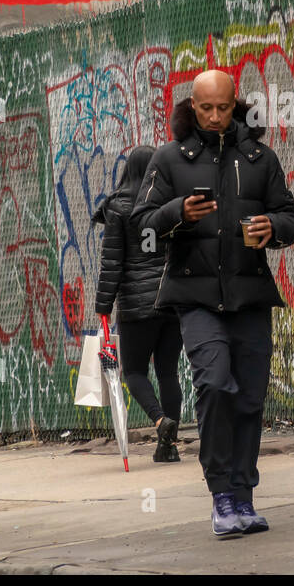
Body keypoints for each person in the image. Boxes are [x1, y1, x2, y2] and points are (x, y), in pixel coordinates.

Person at [132, 69, 294, 537]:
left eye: (222, 108)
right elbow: (142, 225)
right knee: (214, 384)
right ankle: (221, 495)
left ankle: (245, 494)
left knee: (249, 397)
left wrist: (273, 226)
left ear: (235, 104)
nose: (213, 117)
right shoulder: (169, 159)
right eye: (204, 108)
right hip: (196, 296)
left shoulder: (259, 157)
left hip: (249, 296)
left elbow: (291, 217)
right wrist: (178, 213)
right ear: (192, 104)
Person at [93, 146, 183, 462]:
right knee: (169, 372)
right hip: (172, 301)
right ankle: (168, 448)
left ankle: (160, 421)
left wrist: (103, 305)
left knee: (133, 371)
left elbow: (112, 264)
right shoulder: (171, 204)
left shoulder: (118, 208)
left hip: (135, 306)